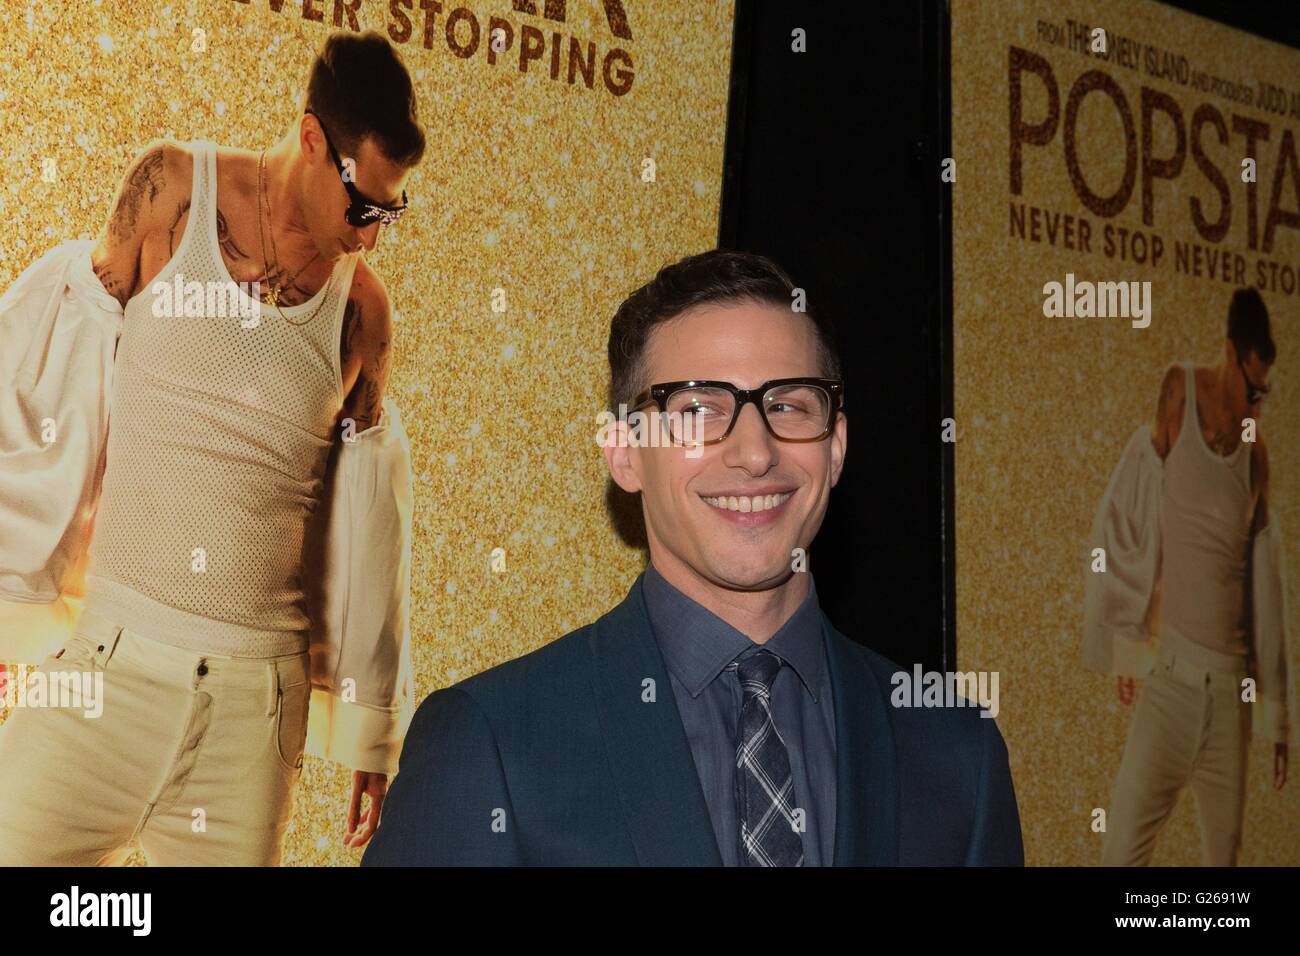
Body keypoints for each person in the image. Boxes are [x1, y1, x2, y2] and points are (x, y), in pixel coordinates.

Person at [362, 249, 1024, 866]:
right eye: (700, 408)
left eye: (789, 405)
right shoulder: (491, 744)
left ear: (836, 446)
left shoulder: (954, 752)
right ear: (624, 451)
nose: (755, 452)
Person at [0, 30, 423, 865]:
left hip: (253, 715)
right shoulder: (168, 190)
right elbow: (56, 384)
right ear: (312, 140)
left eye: (392, 212)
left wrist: (369, 726)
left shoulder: (360, 313)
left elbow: (364, 528)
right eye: (364, 207)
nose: (372, 236)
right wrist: (11, 601)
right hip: (105, 667)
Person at [1094, 287, 1290, 866]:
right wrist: (1128, 637)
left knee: (1221, 876)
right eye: (1252, 387)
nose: (1256, 403)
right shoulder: (1179, 390)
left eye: (1265, 392)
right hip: (1171, 683)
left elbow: (1263, 589)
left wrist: (1276, 716)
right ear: (1229, 354)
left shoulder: (1256, 457)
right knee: (1121, 854)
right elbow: (1136, 512)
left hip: (1232, 698)